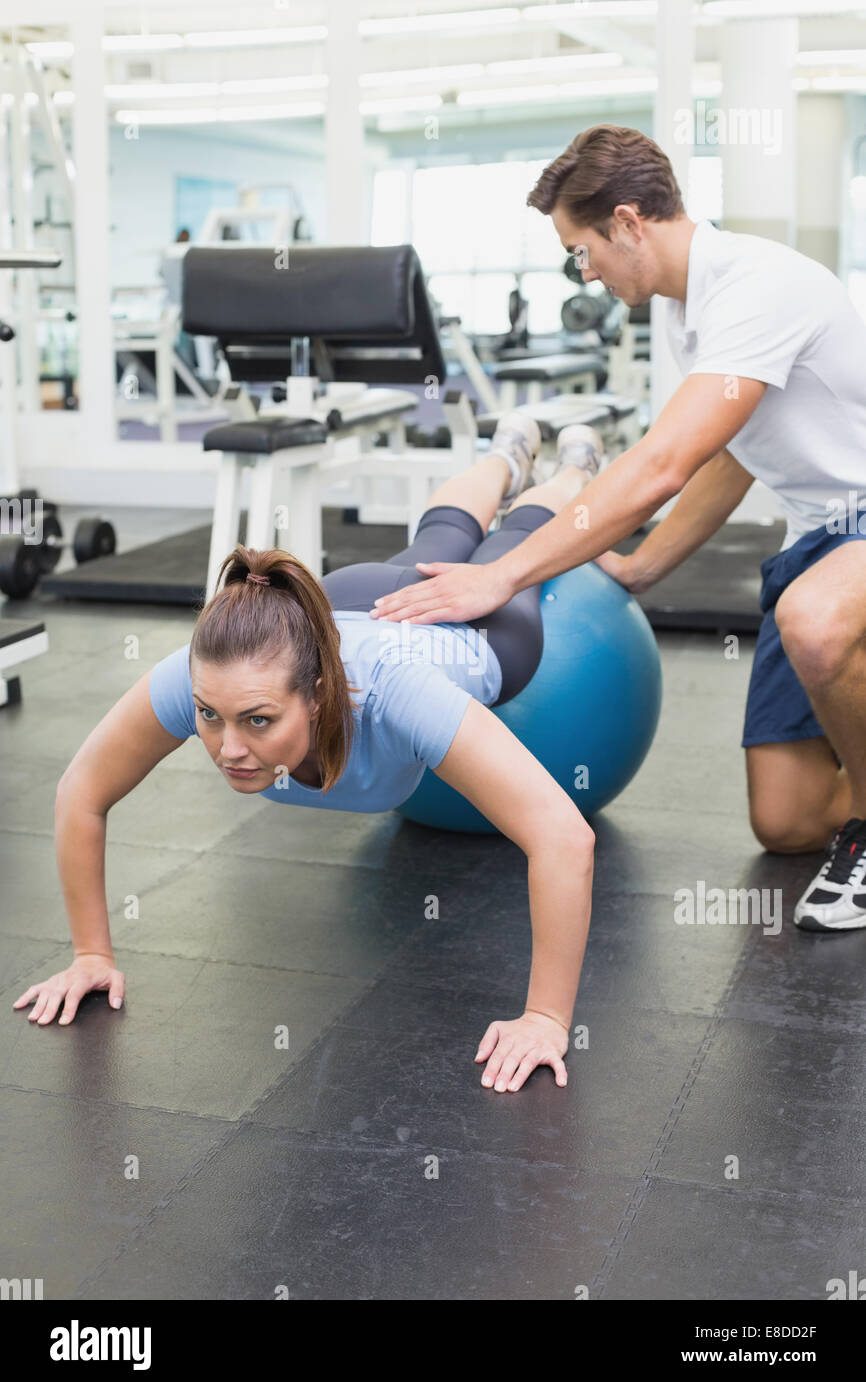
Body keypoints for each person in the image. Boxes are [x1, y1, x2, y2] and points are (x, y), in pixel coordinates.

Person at [370, 123, 866, 934]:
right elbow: (729, 457)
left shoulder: (756, 286)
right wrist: (640, 568)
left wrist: (502, 575)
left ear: (630, 222)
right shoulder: (684, 309)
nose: (584, 271)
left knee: (811, 619)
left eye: (582, 250)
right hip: (818, 531)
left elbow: (664, 463)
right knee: (786, 825)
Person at [15, 416, 607, 1094]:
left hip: (467, 635)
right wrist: (91, 953)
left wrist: (545, 1018)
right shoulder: (208, 673)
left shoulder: (397, 692)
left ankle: (576, 469)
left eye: (258, 721)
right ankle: (506, 454)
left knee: (512, 546)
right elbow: (81, 790)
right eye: (210, 718)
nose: (228, 748)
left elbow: (564, 839)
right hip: (345, 600)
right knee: (436, 539)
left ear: (321, 697)